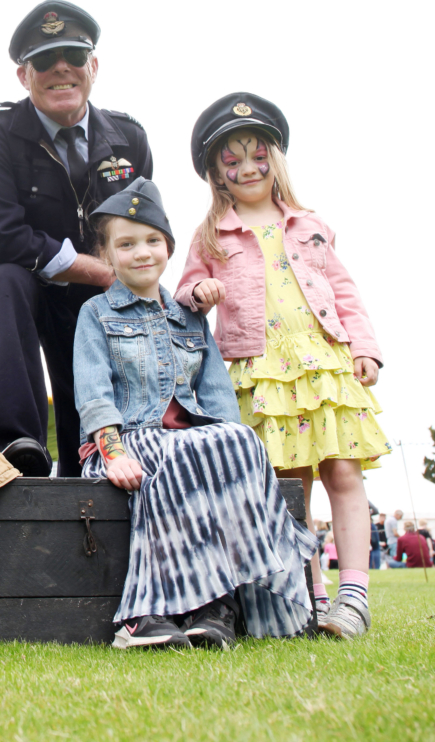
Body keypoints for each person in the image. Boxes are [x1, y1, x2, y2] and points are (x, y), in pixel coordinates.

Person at [176, 93, 388, 640]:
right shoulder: (209, 235)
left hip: (323, 360)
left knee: (343, 470)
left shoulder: (311, 224)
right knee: (289, 486)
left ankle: (354, 597)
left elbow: (345, 291)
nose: (247, 168)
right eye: (232, 160)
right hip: (258, 368)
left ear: (276, 158)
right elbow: (184, 294)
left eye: (257, 154)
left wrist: (364, 347)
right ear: (216, 174)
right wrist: (200, 290)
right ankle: (311, 598)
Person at [73, 178, 317, 650]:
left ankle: (215, 607)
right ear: (107, 255)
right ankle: (149, 613)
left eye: (152, 240)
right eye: (125, 244)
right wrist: (114, 450)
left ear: (168, 246)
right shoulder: (95, 314)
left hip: (191, 437)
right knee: (169, 457)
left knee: (239, 442)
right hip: (128, 439)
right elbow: (94, 393)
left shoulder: (188, 318)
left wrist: (236, 443)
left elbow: (217, 397)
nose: (141, 253)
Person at [0, 0, 154, 478]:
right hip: (22, 279)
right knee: (4, 281)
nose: (60, 68)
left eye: (73, 54)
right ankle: (18, 446)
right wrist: (95, 269)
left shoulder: (129, 139)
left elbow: (143, 230)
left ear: (93, 65)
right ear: (24, 76)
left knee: (83, 401)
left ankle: (88, 470)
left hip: (94, 294)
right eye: (44, 60)